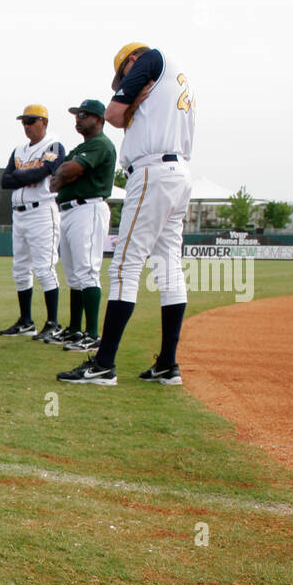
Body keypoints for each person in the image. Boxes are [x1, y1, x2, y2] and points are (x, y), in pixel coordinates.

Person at [58, 43, 196, 386]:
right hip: (178, 172)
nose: (123, 81)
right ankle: (167, 364)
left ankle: (104, 364)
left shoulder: (149, 58)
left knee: (124, 264)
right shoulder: (177, 77)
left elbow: (114, 115)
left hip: (151, 171)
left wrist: (130, 99)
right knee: (169, 268)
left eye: (123, 74)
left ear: (131, 61)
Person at [47, 99, 116, 354]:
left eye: (84, 115)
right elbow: (56, 178)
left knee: (87, 270)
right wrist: (65, 173)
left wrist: (67, 172)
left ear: (99, 119)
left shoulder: (101, 144)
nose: (78, 119)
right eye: (77, 115)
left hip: (89, 208)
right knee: (74, 273)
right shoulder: (82, 146)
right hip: (70, 209)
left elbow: (69, 169)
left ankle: (92, 334)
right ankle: (76, 329)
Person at [0, 105, 65, 340]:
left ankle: (53, 323)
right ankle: (26, 321)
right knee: (20, 268)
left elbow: (42, 173)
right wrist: (23, 177)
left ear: (44, 122)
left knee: (45, 268)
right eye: (24, 122)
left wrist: (21, 176)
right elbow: (5, 180)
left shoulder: (53, 145)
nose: (26, 126)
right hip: (19, 213)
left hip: (42, 212)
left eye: (31, 121)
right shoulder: (18, 150)